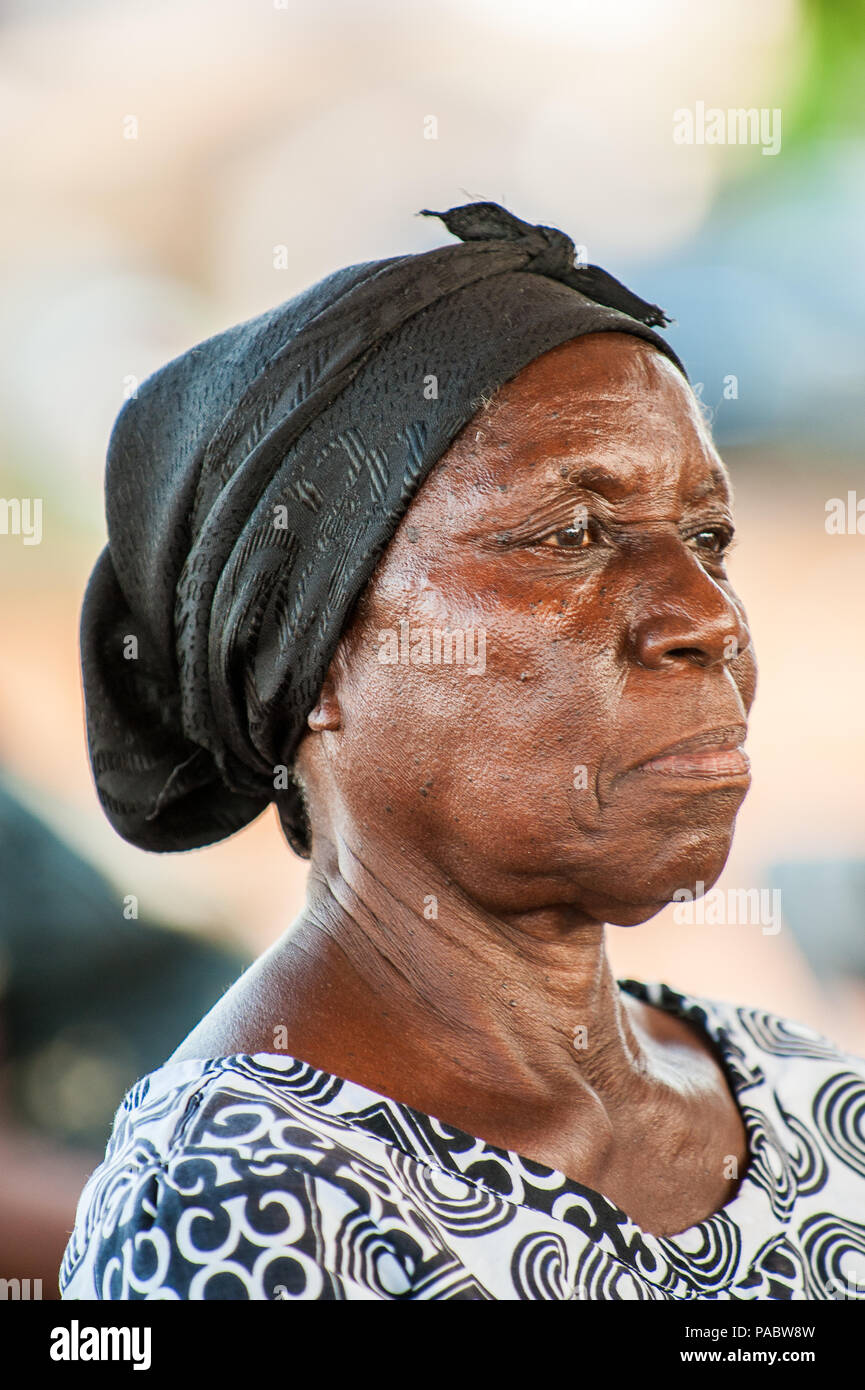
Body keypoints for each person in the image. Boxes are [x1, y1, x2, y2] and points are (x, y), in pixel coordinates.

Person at [61, 202, 865, 1301]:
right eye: (570, 535)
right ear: (317, 656)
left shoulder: (804, 1097)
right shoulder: (247, 1207)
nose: (705, 615)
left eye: (708, 537)